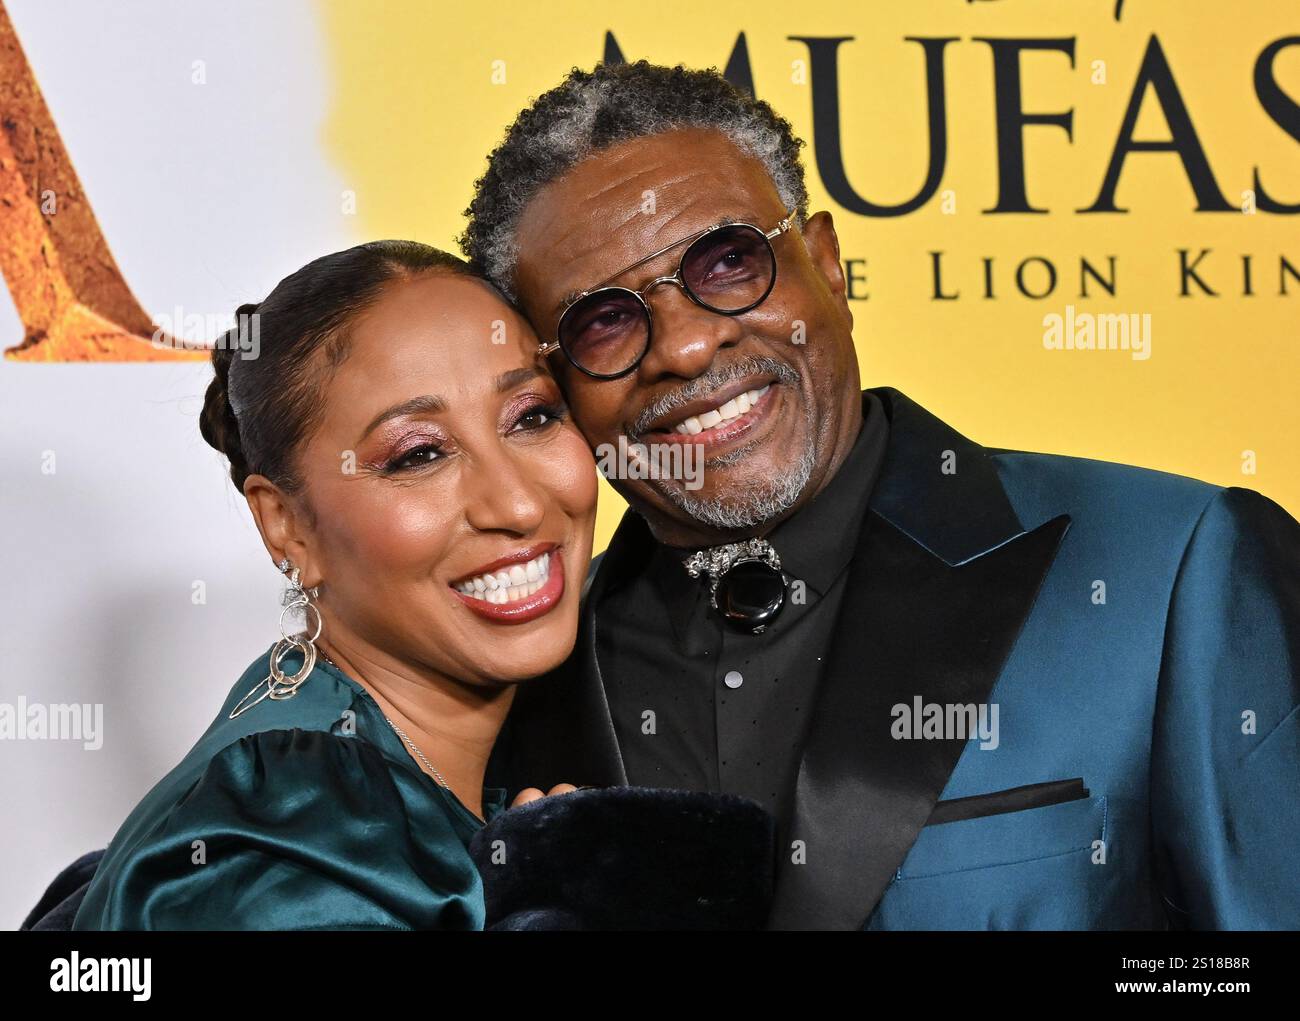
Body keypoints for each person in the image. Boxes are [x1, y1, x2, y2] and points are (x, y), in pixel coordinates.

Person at [465, 61, 1300, 930]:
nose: (684, 345)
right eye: (602, 321)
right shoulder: (519, 680)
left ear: (827, 264)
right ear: (551, 386)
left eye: (726, 263)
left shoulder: (1174, 568)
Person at [73, 241, 597, 929]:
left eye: (532, 416)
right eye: (420, 454)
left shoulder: (363, 760)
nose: (518, 505)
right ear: (288, 527)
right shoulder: (282, 845)